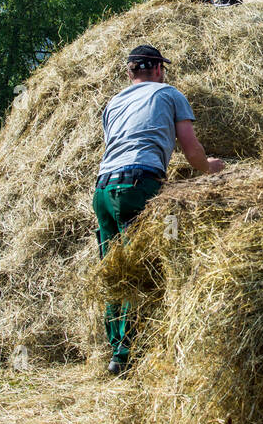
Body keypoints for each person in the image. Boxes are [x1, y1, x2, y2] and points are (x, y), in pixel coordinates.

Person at [93, 45, 223, 375]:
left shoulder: (114, 102)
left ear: (129, 73)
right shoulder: (169, 94)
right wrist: (210, 168)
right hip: (138, 184)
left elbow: (116, 145)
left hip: (103, 188)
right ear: (156, 70)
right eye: (161, 68)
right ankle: (137, 349)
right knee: (141, 265)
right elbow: (191, 148)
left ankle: (117, 351)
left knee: (113, 269)